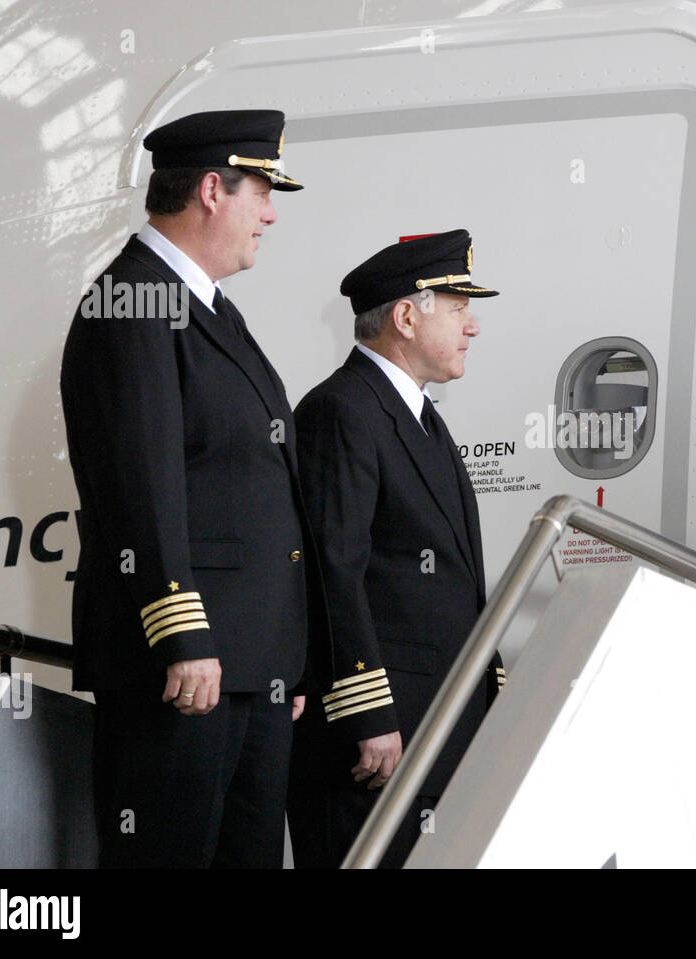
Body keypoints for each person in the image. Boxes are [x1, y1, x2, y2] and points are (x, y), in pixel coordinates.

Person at [60, 109, 324, 867]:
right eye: (262, 191)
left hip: (247, 666)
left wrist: (284, 658)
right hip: (185, 664)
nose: (270, 212)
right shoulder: (132, 301)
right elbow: (140, 483)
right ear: (212, 189)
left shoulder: (210, 309)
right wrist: (181, 631)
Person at [287, 229, 506, 868]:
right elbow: (334, 570)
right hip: (377, 737)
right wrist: (366, 712)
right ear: (407, 317)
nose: (473, 327)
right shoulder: (342, 411)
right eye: (460, 307)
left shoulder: (420, 417)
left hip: (436, 729)